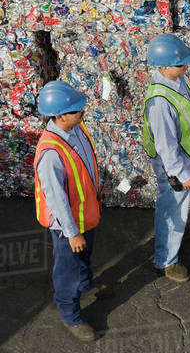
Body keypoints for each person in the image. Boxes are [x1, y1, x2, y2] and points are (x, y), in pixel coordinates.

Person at [34, 80, 100, 342]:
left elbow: (85, 165)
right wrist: (72, 233)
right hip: (68, 225)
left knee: (85, 257)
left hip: (86, 213)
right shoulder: (51, 153)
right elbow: (56, 200)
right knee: (67, 270)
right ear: (60, 116)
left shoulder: (76, 129)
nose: (82, 113)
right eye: (76, 111)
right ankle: (70, 314)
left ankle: (86, 287)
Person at [142, 34, 190, 283]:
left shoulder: (177, 81)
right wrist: (182, 173)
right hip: (173, 166)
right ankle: (165, 260)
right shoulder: (159, 103)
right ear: (164, 66)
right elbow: (166, 146)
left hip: (184, 158)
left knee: (178, 205)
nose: (185, 67)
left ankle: (176, 234)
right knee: (171, 207)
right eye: (180, 64)